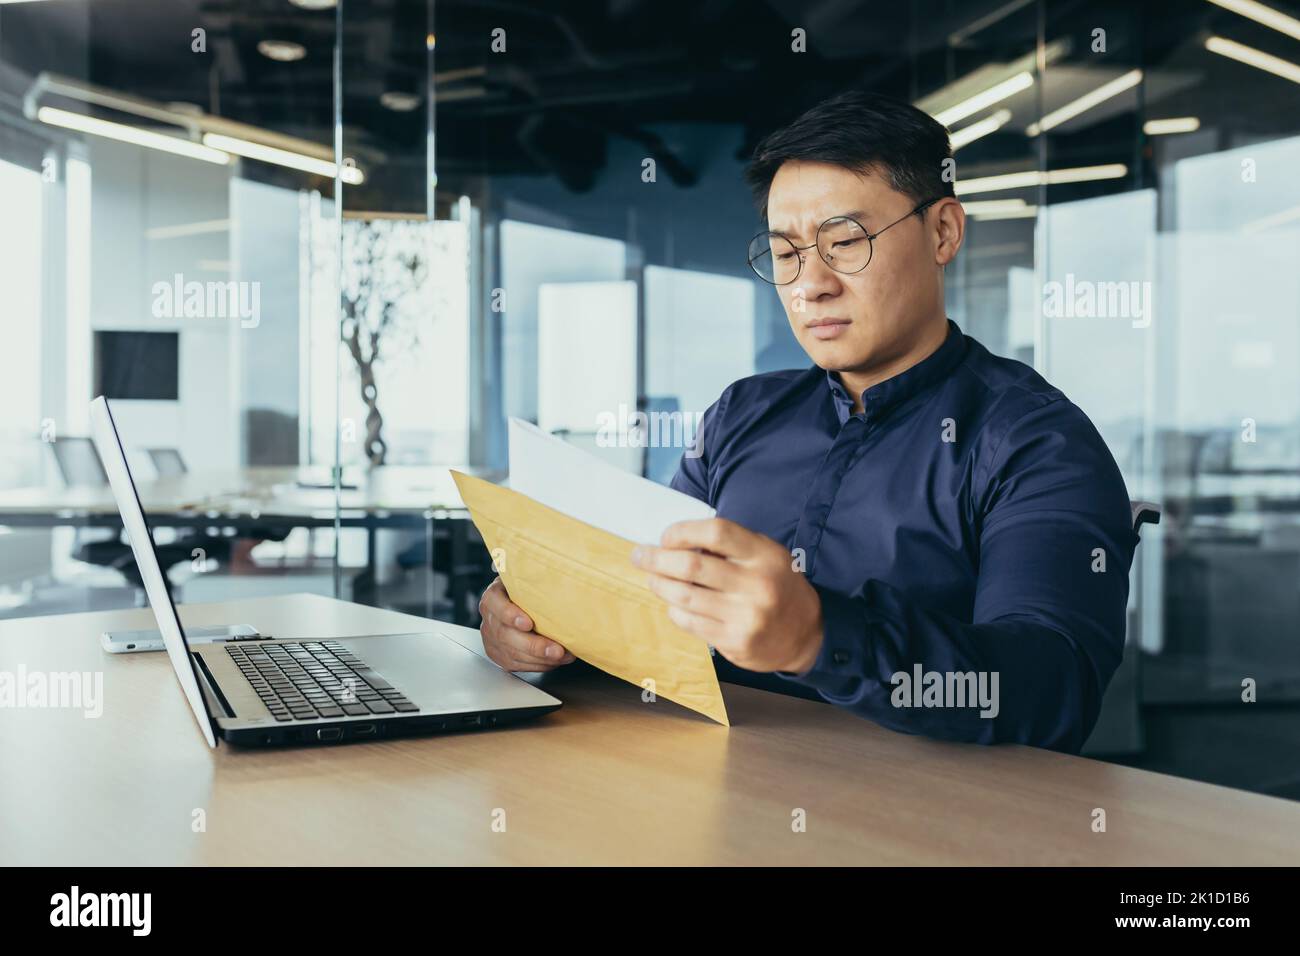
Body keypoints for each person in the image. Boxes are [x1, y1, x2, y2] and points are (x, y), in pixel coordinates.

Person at [478, 90, 1138, 753]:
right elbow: (651, 607)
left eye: (845, 241)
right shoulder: (742, 414)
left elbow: (1053, 688)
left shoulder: (1036, 442)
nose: (809, 284)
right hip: (712, 786)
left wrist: (821, 638)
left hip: (922, 826)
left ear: (943, 232)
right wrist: (538, 625)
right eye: (786, 253)